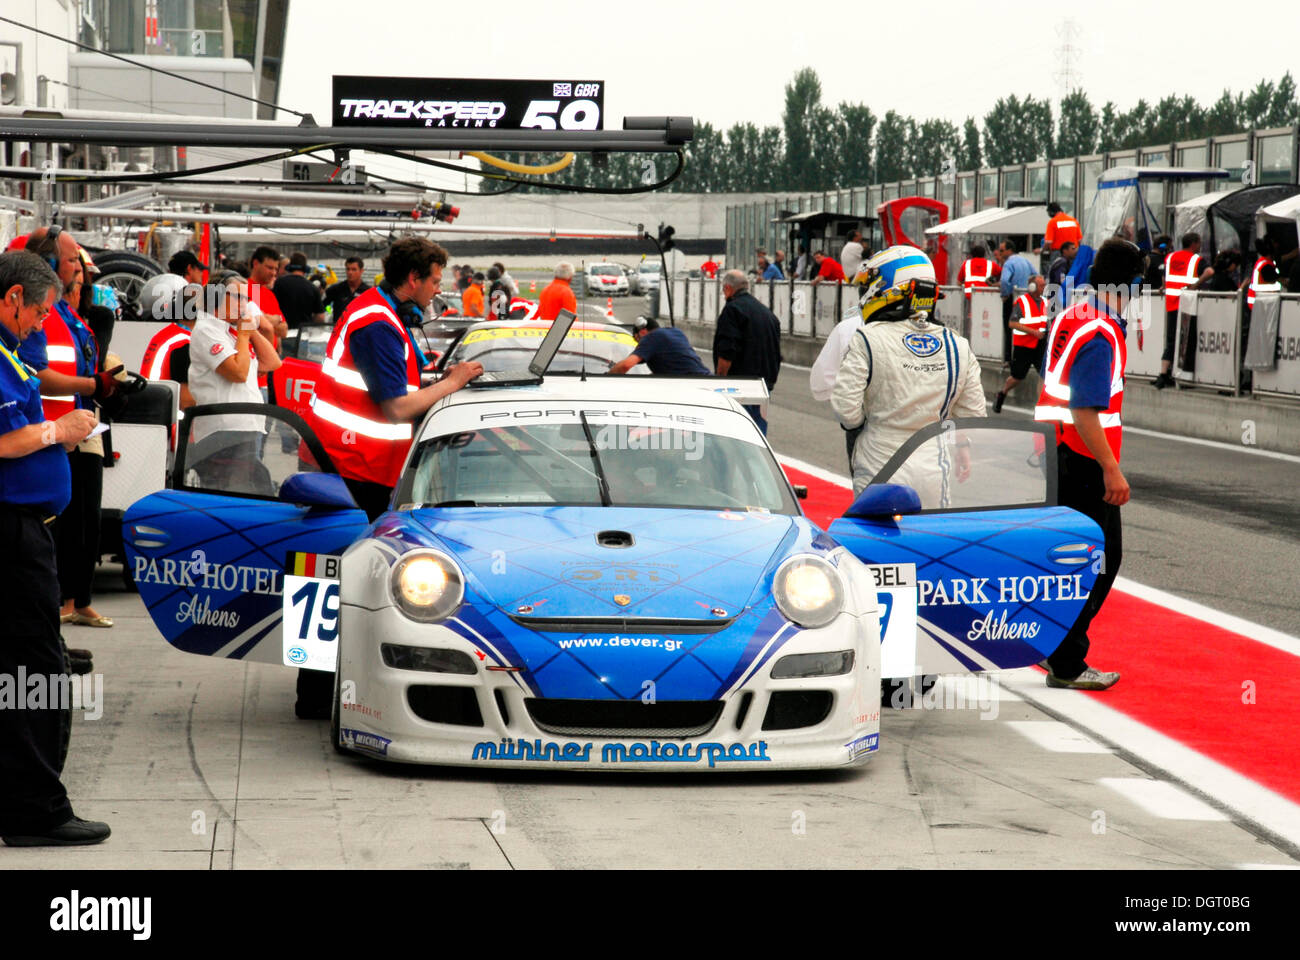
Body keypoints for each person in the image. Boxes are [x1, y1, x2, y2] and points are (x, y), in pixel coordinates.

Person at [0, 250, 111, 847]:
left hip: (24, 528)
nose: (46, 322)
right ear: (14, 297)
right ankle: (33, 810)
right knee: (34, 670)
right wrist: (57, 432)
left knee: (27, 666)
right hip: (11, 535)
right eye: (41, 311)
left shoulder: (11, 353)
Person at [1032, 237, 1138, 691]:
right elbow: (1086, 409)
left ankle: (1058, 650)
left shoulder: (1071, 315)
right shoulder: (1100, 332)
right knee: (1099, 559)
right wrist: (1110, 467)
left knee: (1070, 557)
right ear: (1131, 283)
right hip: (1082, 458)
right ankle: (1067, 660)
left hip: (1056, 452)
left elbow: (1048, 376)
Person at [22, 228, 129, 632]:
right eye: (71, 263)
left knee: (86, 522)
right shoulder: (42, 316)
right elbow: (36, 374)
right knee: (57, 528)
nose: (78, 271)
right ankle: (58, 605)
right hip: (46, 433)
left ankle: (75, 600)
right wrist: (92, 385)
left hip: (73, 428)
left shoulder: (68, 315)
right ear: (48, 266)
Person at [830, 246, 986, 496]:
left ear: (886, 288)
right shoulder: (958, 343)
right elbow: (973, 416)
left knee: (878, 536)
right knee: (930, 535)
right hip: (936, 466)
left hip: (880, 462)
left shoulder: (867, 339)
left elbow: (845, 410)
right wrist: (962, 447)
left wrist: (868, 419)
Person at [187, 275, 282, 493]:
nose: (244, 304)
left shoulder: (232, 332)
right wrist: (244, 333)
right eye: (238, 297)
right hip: (224, 432)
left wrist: (250, 329)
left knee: (251, 492)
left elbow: (272, 362)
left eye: (247, 298)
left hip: (245, 427)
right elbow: (238, 373)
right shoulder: (207, 330)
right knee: (233, 494)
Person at [712, 270, 781, 433]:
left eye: (723, 290)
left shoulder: (733, 310)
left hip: (740, 384)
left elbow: (727, 349)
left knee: (738, 432)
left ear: (728, 288)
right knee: (758, 431)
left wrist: (720, 379)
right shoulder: (767, 313)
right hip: (763, 385)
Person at [1155, 232, 1212, 389]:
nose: (1200, 246)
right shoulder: (1196, 259)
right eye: (1199, 243)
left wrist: (1164, 287)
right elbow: (1210, 272)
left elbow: (1165, 276)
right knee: (1186, 341)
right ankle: (1182, 377)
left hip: (1172, 303)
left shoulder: (1170, 257)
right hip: (1188, 305)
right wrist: (1195, 285)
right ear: (1193, 244)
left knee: (1172, 339)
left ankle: (1164, 373)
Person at [993, 275, 1048, 413]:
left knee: (1044, 374)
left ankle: (1040, 405)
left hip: (1040, 345)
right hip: (1023, 346)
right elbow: (1012, 323)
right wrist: (1033, 332)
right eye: (1041, 285)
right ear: (1032, 287)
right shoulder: (1022, 302)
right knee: (1017, 377)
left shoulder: (1046, 302)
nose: (1044, 288)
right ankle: (1002, 393)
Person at [610, 318, 710, 375]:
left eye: (637, 340)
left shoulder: (651, 337)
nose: (638, 345)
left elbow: (625, 365)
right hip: (707, 380)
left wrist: (608, 376)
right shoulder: (676, 332)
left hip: (690, 385)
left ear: (643, 332)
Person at [273, 252, 325, 329]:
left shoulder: (276, 284)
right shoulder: (312, 288)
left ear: (289, 267)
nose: (273, 272)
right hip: (302, 335)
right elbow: (320, 317)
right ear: (305, 268)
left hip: (282, 332)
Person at [324, 256, 371, 323]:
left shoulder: (368, 292)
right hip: (339, 330)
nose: (350, 272)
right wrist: (330, 311)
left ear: (361, 271)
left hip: (359, 330)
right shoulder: (336, 289)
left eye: (354, 269)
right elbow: (323, 306)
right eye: (348, 269)